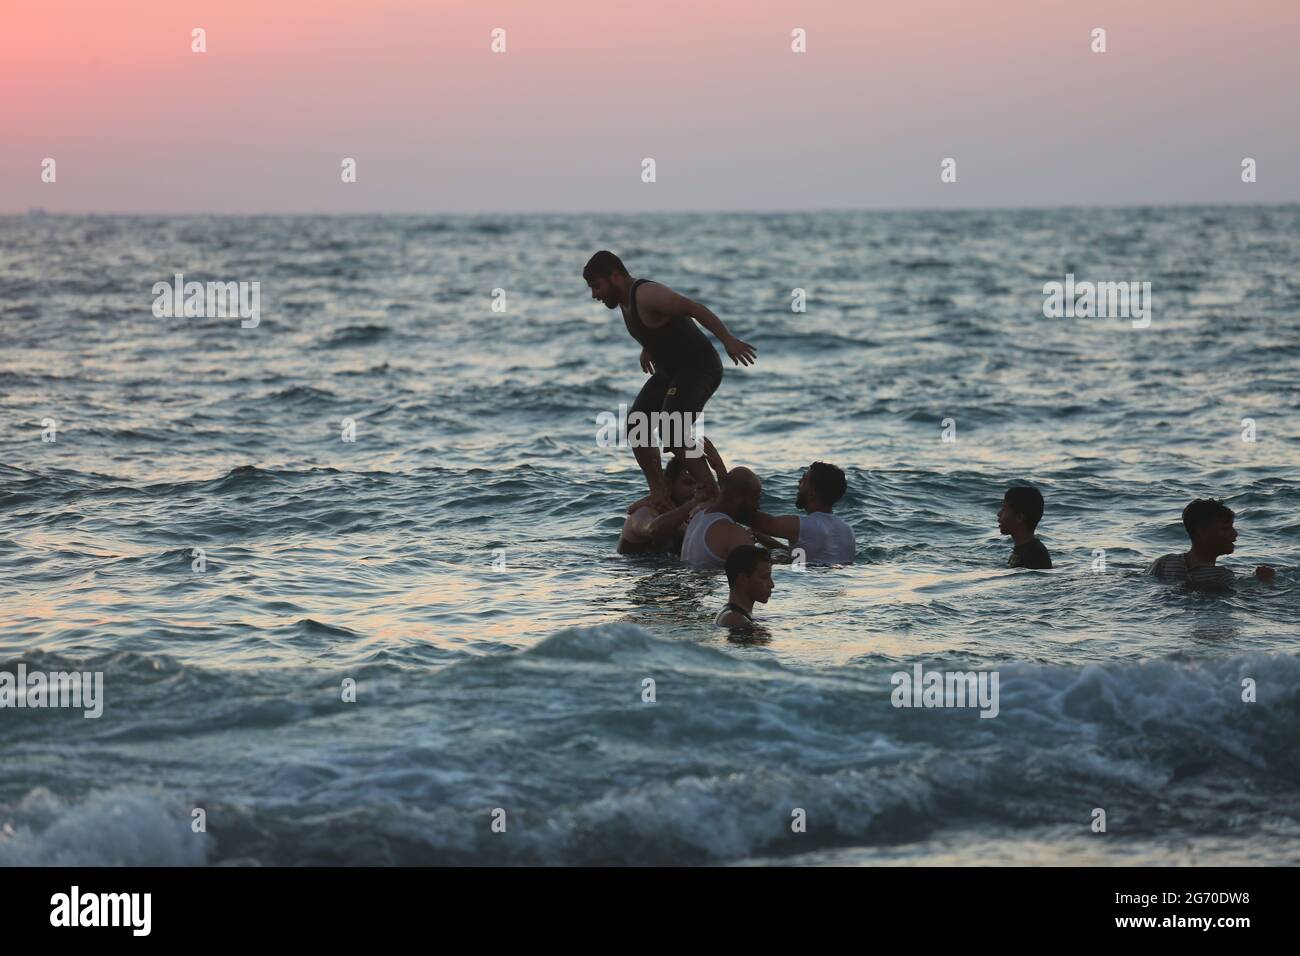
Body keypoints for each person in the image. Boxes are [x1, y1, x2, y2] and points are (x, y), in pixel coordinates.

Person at [584, 250, 756, 511]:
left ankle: (711, 493)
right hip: (670, 371)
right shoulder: (624, 302)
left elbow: (694, 309)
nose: (594, 294)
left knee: (672, 430)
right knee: (636, 425)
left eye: (596, 286)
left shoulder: (647, 294)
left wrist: (728, 340)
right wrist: (649, 346)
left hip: (699, 368)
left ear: (616, 276)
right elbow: (659, 325)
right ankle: (660, 493)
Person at [1148, 498, 1275, 590]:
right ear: (1201, 532)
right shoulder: (1222, 577)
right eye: (1225, 529)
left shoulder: (1163, 562)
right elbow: (1250, 599)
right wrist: (1265, 581)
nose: (1235, 534)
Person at [750, 462, 855, 564]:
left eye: (803, 480)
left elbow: (753, 519)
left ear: (812, 493)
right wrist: (767, 541)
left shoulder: (802, 525)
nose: (799, 482)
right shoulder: (848, 531)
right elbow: (806, 556)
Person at [680, 467, 762, 569]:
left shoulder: (698, 516)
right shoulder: (734, 533)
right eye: (755, 499)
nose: (758, 506)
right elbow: (756, 575)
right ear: (737, 498)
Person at [617, 456, 700, 555]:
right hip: (632, 568)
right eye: (688, 483)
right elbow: (654, 529)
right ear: (669, 484)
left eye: (699, 484)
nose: (695, 490)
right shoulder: (644, 512)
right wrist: (694, 503)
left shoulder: (692, 516)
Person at [715, 546, 773, 627]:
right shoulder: (734, 619)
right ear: (742, 579)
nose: (771, 585)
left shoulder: (735, 615)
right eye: (764, 577)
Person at [998, 486, 1052, 569]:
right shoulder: (1025, 548)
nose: (999, 514)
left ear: (1019, 517)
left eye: (1004, 509)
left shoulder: (1033, 553)